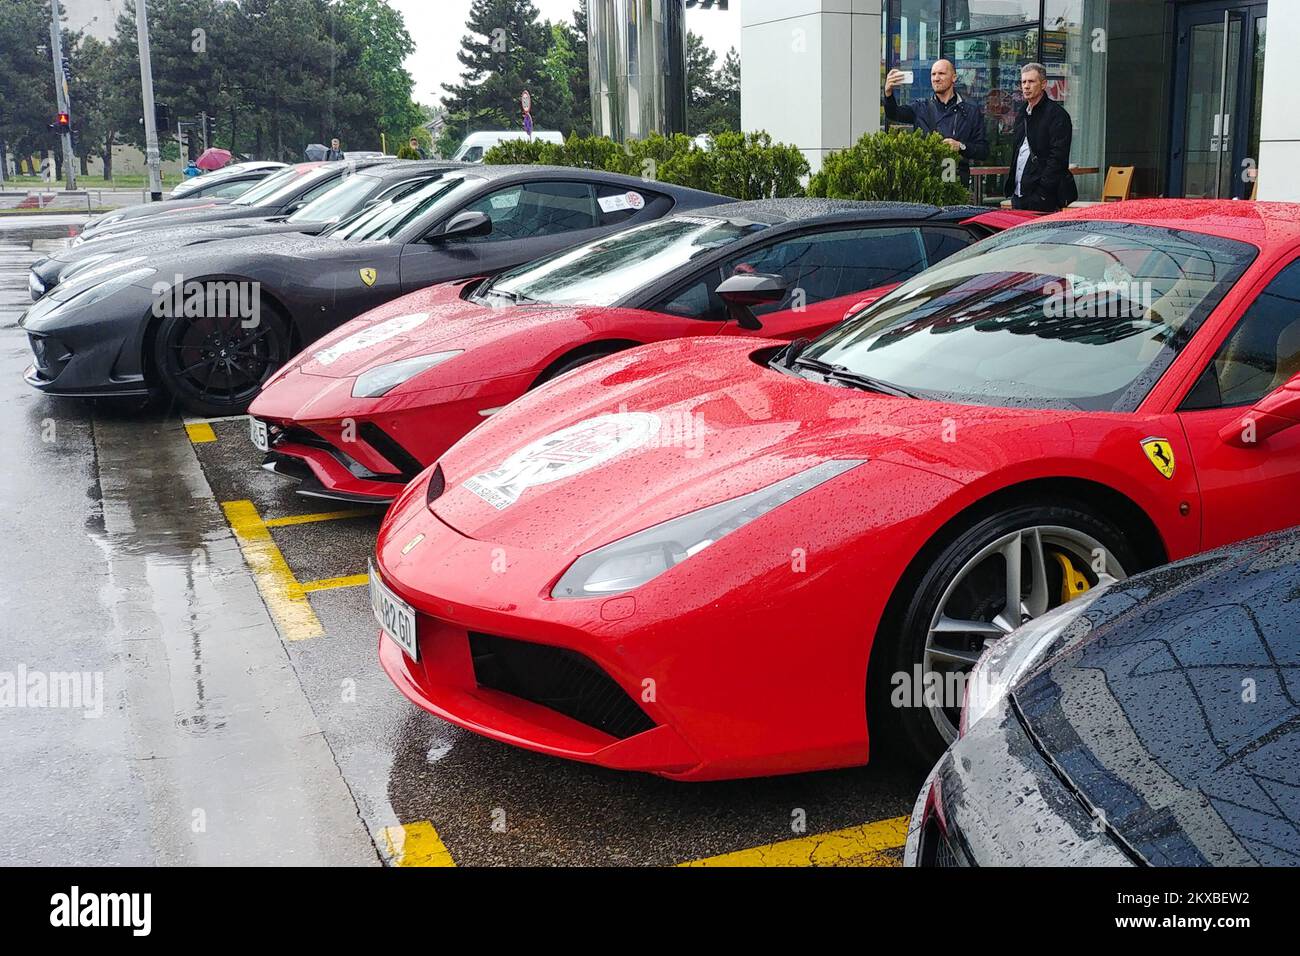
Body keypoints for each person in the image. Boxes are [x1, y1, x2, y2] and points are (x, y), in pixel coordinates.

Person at [884, 59, 988, 181]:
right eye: (933, 74)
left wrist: (961, 146)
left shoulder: (970, 110)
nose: (936, 78)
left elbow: (983, 151)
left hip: (957, 181)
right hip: (926, 179)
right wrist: (888, 93)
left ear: (954, 78)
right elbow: (893, 114)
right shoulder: (920, 107)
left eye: (941, 73)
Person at [1003, 63, 1076, 212]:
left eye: (1031, 81)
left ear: (1043, 84)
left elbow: (1058, 158)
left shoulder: (1057, 115)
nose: (1026, 86)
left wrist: (1042, 193)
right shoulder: (1022, 113)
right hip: (1019, 195)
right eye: (1023, 82)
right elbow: (1018, 153)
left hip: (1043, 197)